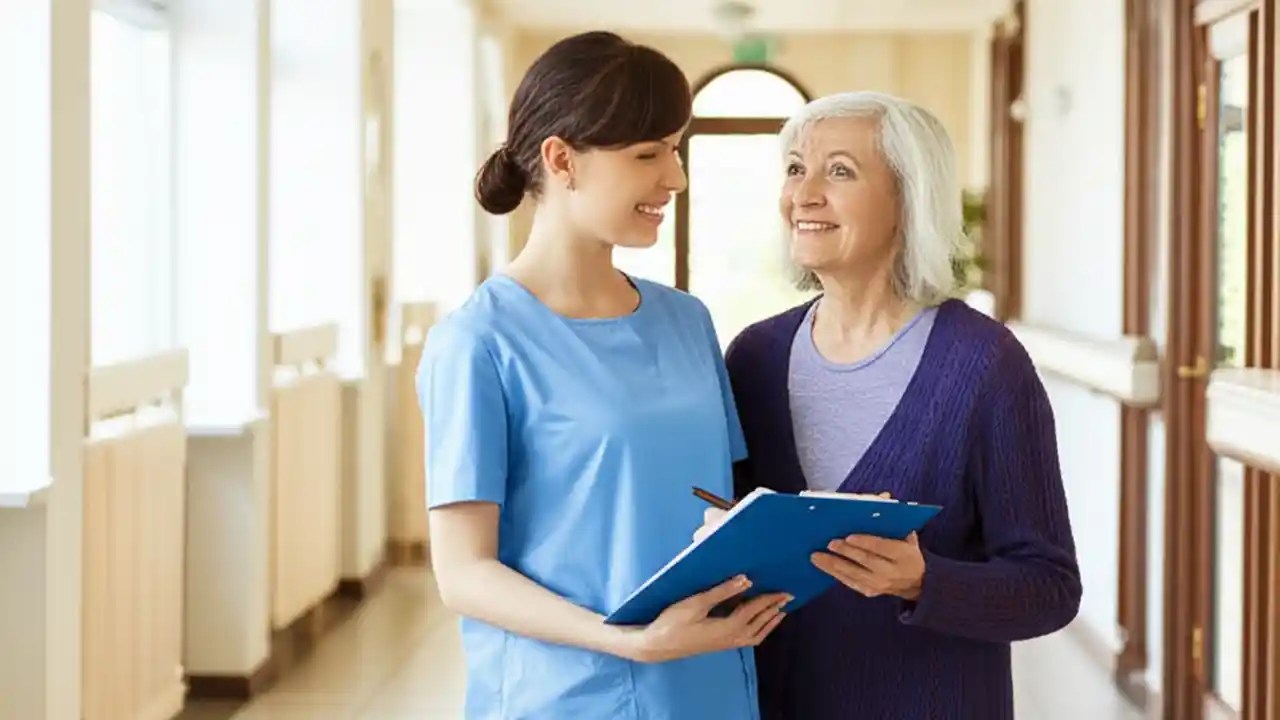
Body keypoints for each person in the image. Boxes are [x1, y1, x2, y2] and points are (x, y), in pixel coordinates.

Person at [418, 31, 788, 720]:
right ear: (562, 159)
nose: (674, 178)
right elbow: (464, 574)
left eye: (674, 149)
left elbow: (711, 498)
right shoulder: (479, 341)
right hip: (568, 694)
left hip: (707, 682)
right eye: (648, 154)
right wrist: (630, 642)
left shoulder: (687, 321)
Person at [700, 91, 1083, 719]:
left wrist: (924, 578)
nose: (805, 193)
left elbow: (1050, 587)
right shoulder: (754, 358)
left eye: (840, 171)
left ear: (910, 199)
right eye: (796, 168)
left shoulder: (984, 365)